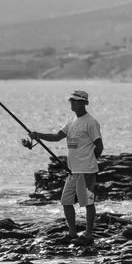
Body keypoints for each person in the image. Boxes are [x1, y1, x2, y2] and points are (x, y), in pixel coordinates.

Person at [27, 90, 104, 244]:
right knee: (66, 201)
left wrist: (90, 160)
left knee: (88, 202)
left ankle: (88, 236)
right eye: (71, 100)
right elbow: (57, 137)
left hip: (86, 170)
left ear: (84, 103)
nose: (72, 103)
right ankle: (72, 233)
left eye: (75, 101)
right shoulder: (71, 120)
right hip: (72, 170)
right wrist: (38, 135)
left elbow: (99, 146)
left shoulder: (91, 122)